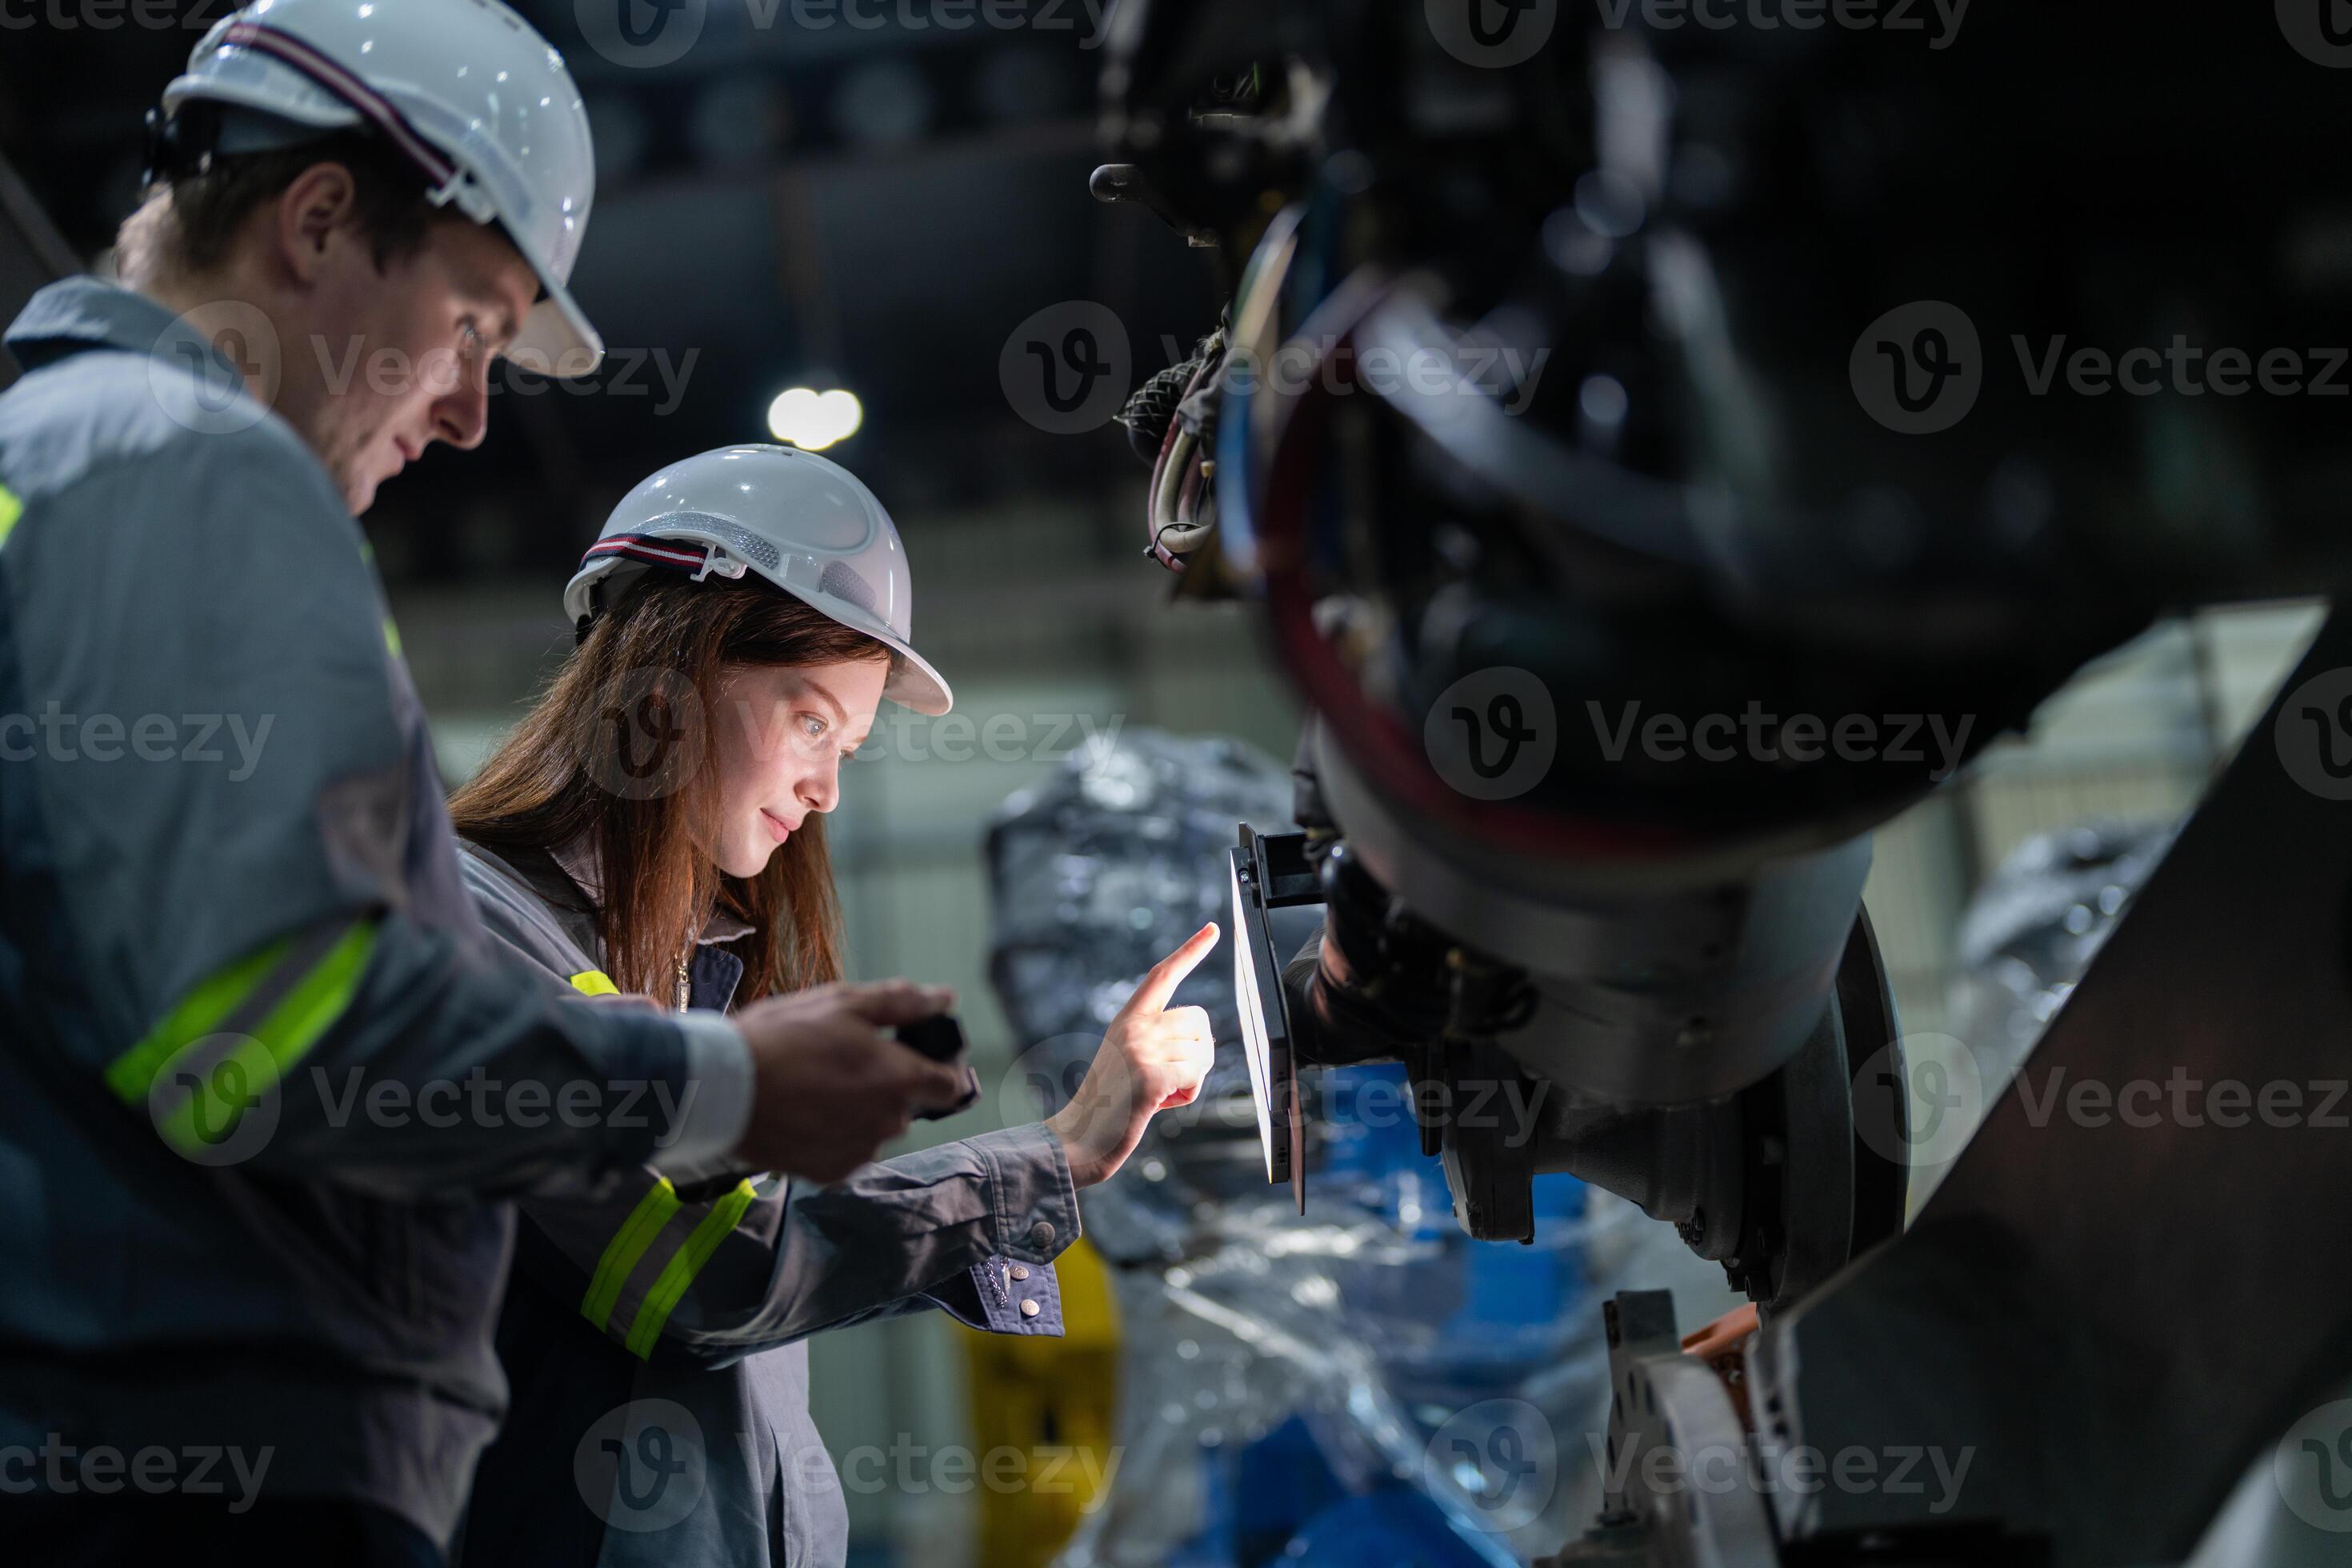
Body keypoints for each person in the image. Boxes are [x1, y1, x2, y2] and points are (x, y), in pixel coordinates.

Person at [0, 6, 962, 1563]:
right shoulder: (187, 460)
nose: (466, 410)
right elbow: (277, 1022)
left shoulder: (59, 456)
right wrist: (729, 1085)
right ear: (319, 221)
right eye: (474, 327)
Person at [445, 444, 1218, 1566]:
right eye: (810, 720)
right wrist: (1052, 1156)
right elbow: (709, 1272)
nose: (828, 791)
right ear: (672, 671)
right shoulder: (475, 932)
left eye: (847, 745)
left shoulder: (692, 979)